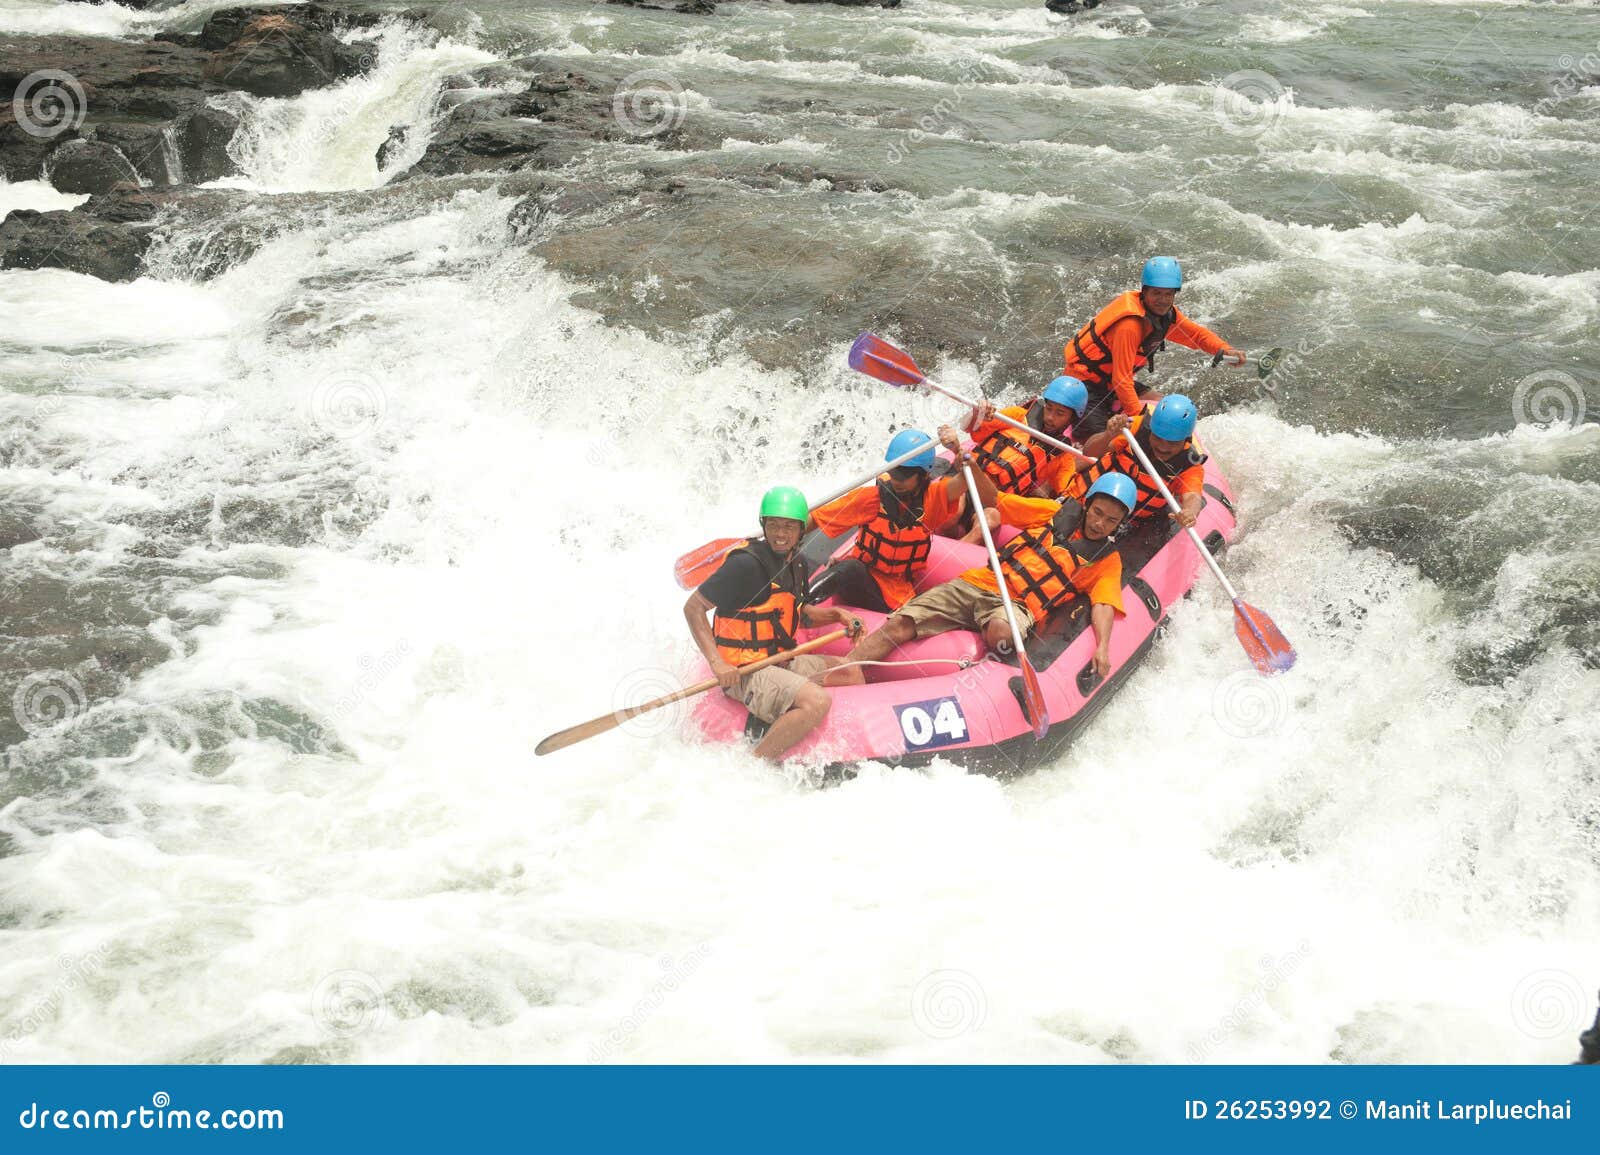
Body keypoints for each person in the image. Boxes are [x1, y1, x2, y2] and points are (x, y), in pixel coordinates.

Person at [840, 427, 1137, 681]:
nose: (1100, 523)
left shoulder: (1106, 560)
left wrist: (1103, 646)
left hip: (1017, 606)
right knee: (899, 623)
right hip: (977, 583)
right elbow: (994, 500)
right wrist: (970, 463)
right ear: (1087, 505)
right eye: (1098, 512)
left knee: (1000, 634)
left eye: (1111, 520)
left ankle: (980, 680)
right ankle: (845, 669)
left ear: (1120, 524)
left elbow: (1103, 604)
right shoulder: (1051, 512)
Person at [683, 485, 864, 762]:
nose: (780, 534)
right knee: (817, 701)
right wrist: (717, 663)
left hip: (778, 660)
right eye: (774, 525)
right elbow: (693, 608)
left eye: (789, 527)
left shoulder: (798, 563)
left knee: (851, 672)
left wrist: (838, 614)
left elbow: (799, 613)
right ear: (763, 526)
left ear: (802, 530)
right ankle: (757, 765)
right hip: (744, 671)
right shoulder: (745, 565)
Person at [1063, 256, 1244, 437]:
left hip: (1110, 383)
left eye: (1168, 294)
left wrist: (1225, 349)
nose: (1163, 300)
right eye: (1156, 293)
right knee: (1104, 438)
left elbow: (1196, 335)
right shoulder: (1129, 326)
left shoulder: (1166, 315)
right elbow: (1122, 379)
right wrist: (1139, 422)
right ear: (1144, 292)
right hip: (1084, 385)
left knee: (1161, 404)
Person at [806, 429, 964, 613]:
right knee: (849, 567)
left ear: (923, 476)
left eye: (904, 476)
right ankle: (798, 607)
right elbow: (818, 518)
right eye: (894, 472)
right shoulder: (872, 499)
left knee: (850, 568)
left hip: (897, 597)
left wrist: (957, 448)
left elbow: (965, 478)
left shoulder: (934, 500)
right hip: (860, 580)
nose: (896, 480)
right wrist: (786, 530)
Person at [1066, 393, 1208, 572]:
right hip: (1081, 499)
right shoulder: (1135, 428)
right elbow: (1090, 451)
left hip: (1114, 525)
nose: (1163, 447)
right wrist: (1108, 434)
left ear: (1185, 440)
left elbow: (1193, 496)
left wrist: (1189, 512)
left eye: (1172, 443)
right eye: (1157, 438)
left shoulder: (1189, 464)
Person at [954, 374, 1089, 543]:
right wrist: (979, 412)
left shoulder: (1063, 455)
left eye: (1060, 413)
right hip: (966, 479)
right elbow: (973, 429)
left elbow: (1066, 494)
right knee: (956, 510)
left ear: (1072, 418)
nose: (1050, 417)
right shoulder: (1017, 416)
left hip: (993, 501)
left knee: (989, 522)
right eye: (1049, 408)